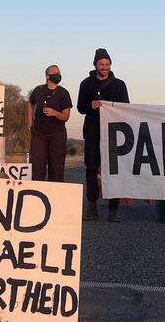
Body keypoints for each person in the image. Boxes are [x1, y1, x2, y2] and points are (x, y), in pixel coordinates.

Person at [77, 49, 130, 221]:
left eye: (107, 64)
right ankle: (91, 208)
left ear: (110, 65)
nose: (104, 67)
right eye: (101, 64)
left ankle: (113, 210)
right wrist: (91, 105)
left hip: (114, 134)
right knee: (91, 169)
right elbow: (80, 107)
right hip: (92, 132)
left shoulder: (119, 84)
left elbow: (126, 108)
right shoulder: (86, 84)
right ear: (95, 65)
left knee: (113, 171)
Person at [27, 65, 73, 182]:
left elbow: (65, 116)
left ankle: (55, 196)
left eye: (59, 73)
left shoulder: (63, 93)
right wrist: (30, 122)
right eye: (55, 73)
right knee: (37, 166)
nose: (58, 75)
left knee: (56, 168)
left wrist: (55, 113)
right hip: (39, 133)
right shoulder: (38, 90)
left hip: (57, 134)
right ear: (47, 76)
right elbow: (30, 104)